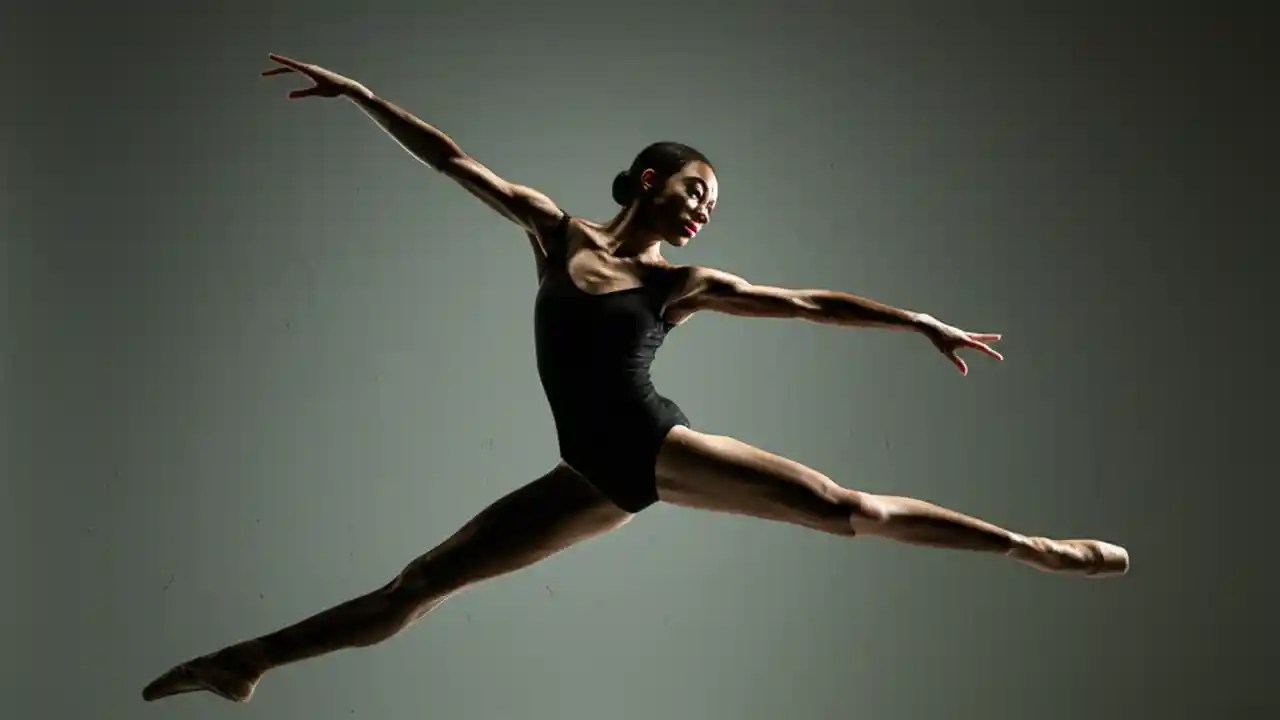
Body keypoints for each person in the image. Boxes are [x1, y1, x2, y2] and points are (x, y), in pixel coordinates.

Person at [141, 54, 1129, 704]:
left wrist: (916, 320)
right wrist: (362, 98)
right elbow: (450, 159)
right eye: (695, 186)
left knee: (837, 507)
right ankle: (249, 662)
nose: (703, 207)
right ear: (647, 178)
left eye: (712, 200)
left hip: (654, 445)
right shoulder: (555, 232)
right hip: (591, 477)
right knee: (415, 589)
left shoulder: (680, 284)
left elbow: (810, 303)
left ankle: (1028, 548)